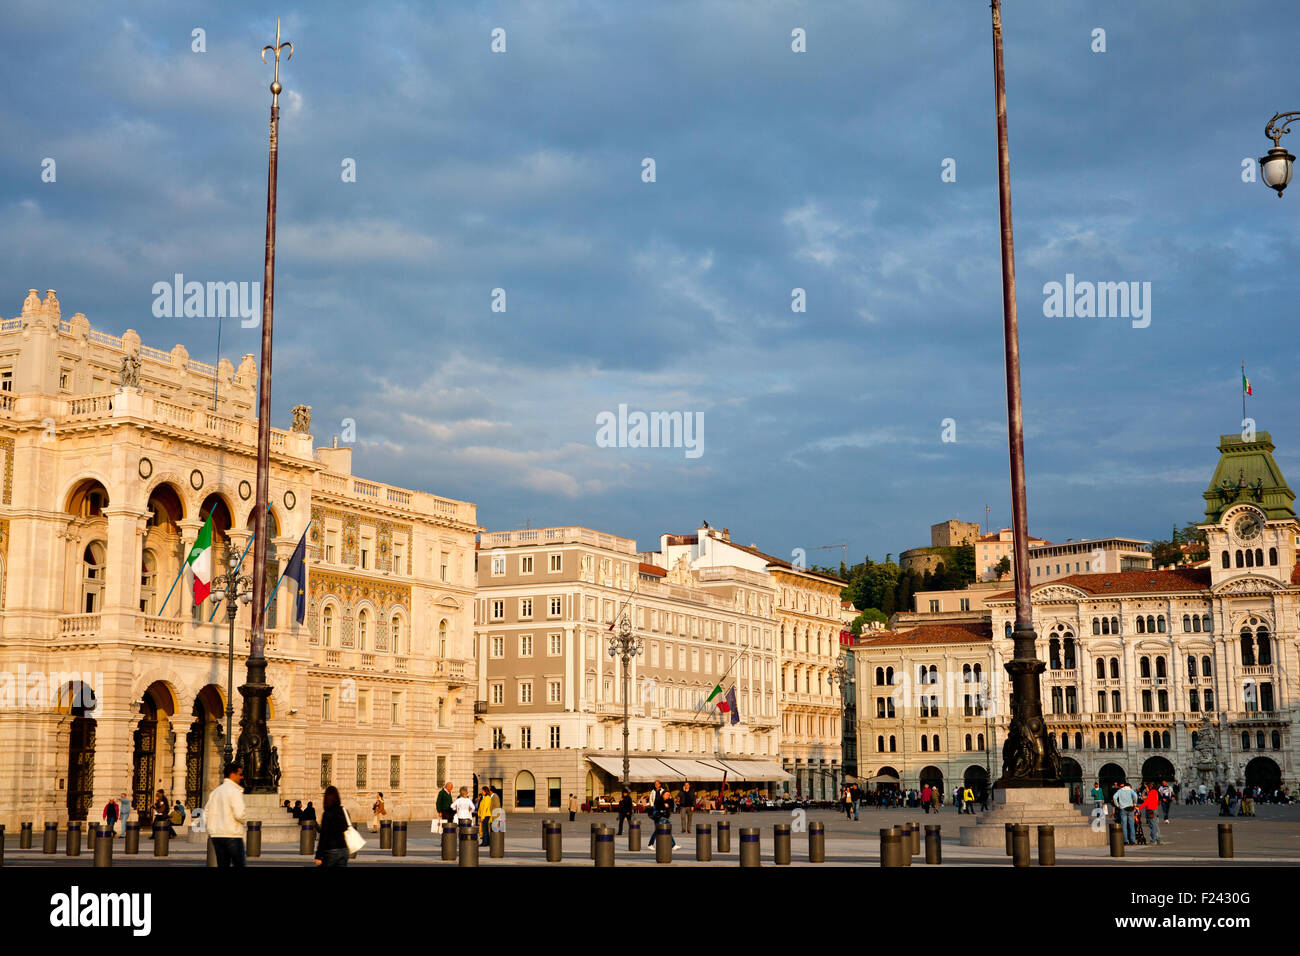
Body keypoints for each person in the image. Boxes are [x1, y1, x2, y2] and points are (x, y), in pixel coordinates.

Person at [204, 762, 248, 867]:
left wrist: (211, 828)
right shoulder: (234, 791)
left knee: (222, 864)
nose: (241, 777)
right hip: (232, 834)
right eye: (240, 774)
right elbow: (239, 814)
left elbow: (206, 812)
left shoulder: (215, 792)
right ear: (233, 774)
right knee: (239, 864)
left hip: (216, 835)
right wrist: (244, 820)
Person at [314, 785, 350, 867]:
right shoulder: (343, 811)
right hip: (343, 849)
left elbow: (324, 836)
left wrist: (319, 855)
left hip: (331, 850)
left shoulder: (327, 814)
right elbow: (346, 827)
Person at [1112, 781, 1137, 845]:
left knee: (1124, 825)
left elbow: (1114, 797)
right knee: (1131, 825)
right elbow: (1135, 796)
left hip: (1123, 809)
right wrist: (1134, 803)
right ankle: (1133, 840)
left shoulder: (1120, 791)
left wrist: (1117, 805)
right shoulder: (1130, 790)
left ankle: (1125, 841)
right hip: (1130, 808)